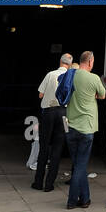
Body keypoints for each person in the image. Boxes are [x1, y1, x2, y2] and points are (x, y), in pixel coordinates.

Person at [64, 51, 106, 209]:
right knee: (80, 166)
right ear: (90, 62)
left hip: (71, 124)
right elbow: (102, 95)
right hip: (86, 127)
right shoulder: (93, 78)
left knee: (77, 164)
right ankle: (71, 200)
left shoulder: (70, 75)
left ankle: (85, 198)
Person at [31, 53, 73, 192]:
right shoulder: (72, 76)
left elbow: (40, 94)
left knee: (44, 146)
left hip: (48, 113)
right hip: (64, 115)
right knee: (57, 147)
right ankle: (49, 184)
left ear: (60, 62)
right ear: (70, 64)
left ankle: (38, 182)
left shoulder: (50, 74)